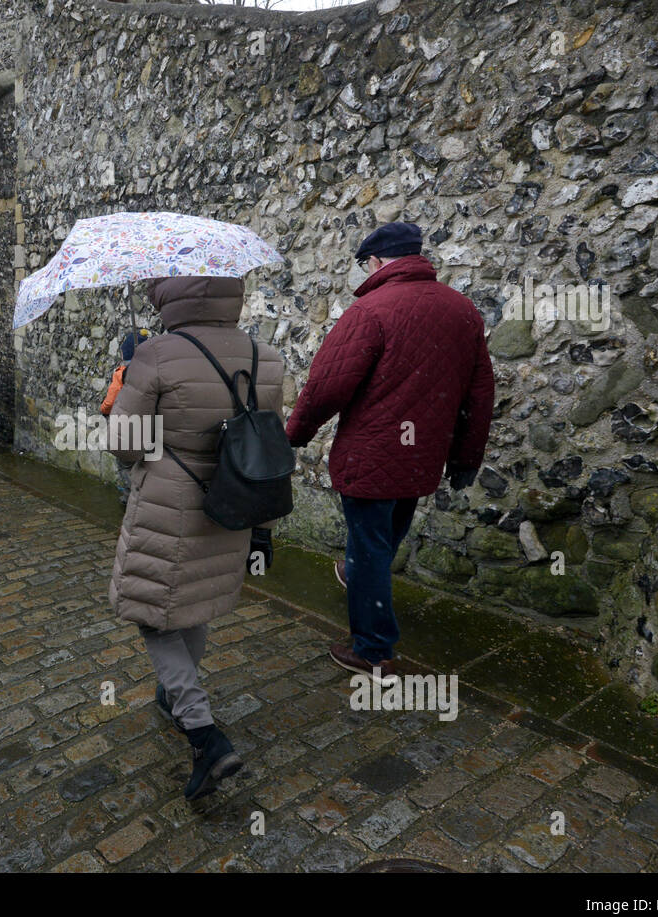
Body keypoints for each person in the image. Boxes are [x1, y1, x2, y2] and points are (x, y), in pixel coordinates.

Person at [285, 222, 494, 677]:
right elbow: (480, 394)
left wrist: (294, 434)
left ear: (377, 262)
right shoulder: (463, 311)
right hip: (422, 457)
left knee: (372, 546)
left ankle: (373, 650)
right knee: (380, 539)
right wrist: (466, 457)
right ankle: (358, 572)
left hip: (372, 454)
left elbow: (326, 387)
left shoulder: (370, 311)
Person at [108, 275, 285, 801]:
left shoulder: (157, 354)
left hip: (170, 506)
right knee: (194, 605)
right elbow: (270, 442)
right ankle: (172, 694)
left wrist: (130, 386)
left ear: (169, 298)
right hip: (235, 505)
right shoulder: (265, 355)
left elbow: (126, 446)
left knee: (151, 613)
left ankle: (203, 734)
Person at [100, 327, 151, 506]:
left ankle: (130, 499)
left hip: (125, 429)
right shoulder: (153, 373)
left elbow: (110, 401)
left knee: (125, 466)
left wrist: (104, 410)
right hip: (149, 428)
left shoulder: (121, 374)